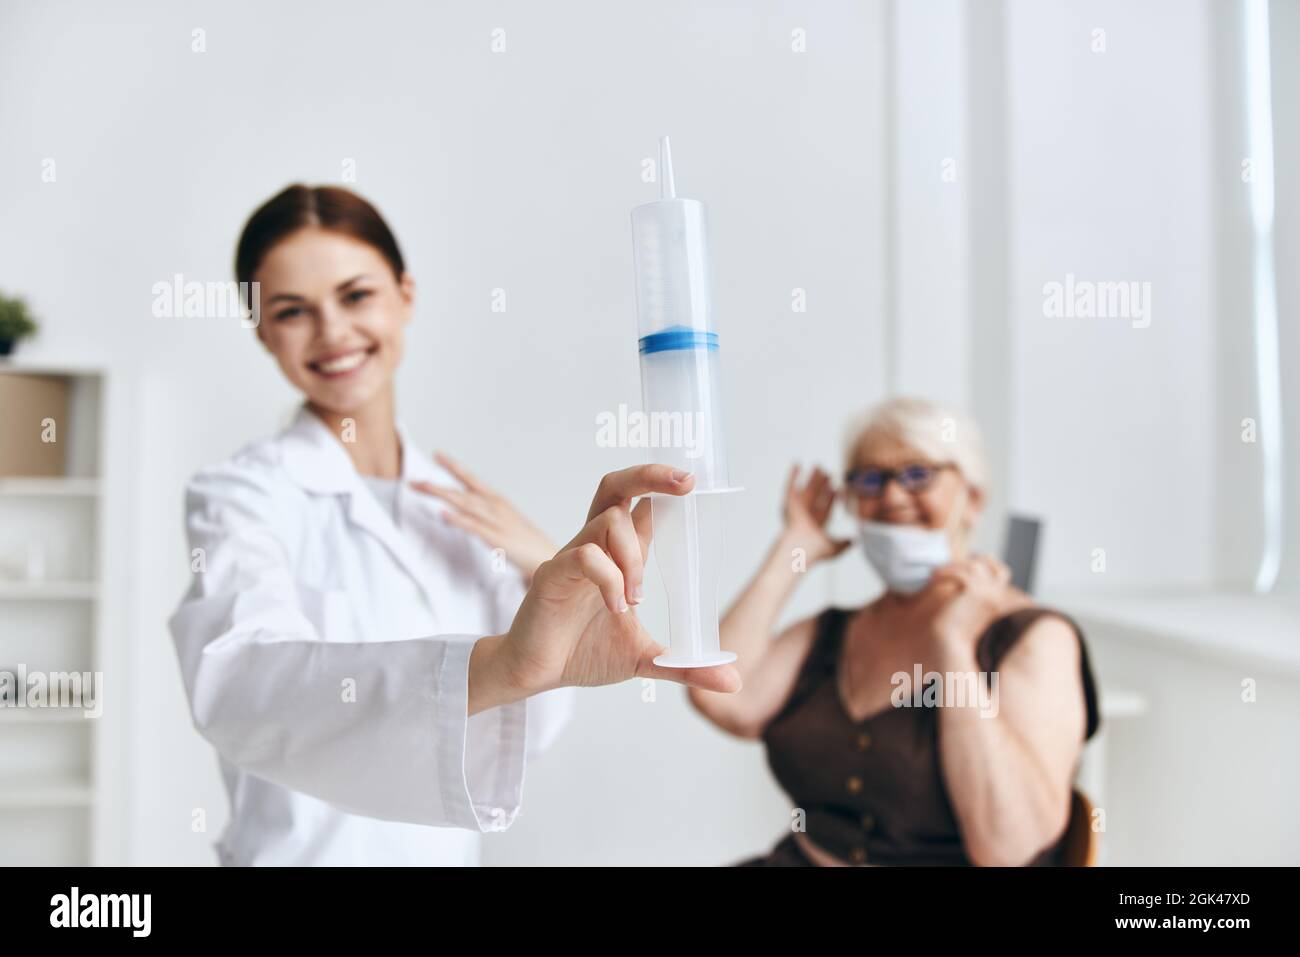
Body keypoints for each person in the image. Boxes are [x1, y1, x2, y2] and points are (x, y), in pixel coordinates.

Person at [168, 184, 739, 866]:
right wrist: (495, 663)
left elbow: (513, 740)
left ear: (405, 295)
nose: (333, 333)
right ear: (263, 330)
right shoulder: (240, 497)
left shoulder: (471, 513)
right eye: (293, 311)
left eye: (356, 295)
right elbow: (241, 688)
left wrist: (540, 574)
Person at [688, 397, 1099, 866]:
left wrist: (953, 644)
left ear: (974, 499)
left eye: (919, 474)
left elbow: (1010, 849)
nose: (892, 496)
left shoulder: (1033, 638)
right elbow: (719, 694)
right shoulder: (834, 631)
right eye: (869, 478)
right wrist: (794, 547)